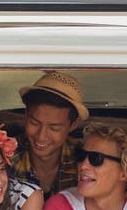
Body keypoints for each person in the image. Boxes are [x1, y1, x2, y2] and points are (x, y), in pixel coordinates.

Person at [11, 70, 89, 199]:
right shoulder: (4, 157)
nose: (41, 136)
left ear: (74, 125)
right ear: (26, 115)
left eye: (54, 128)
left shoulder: (86, 161)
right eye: (34, 122)